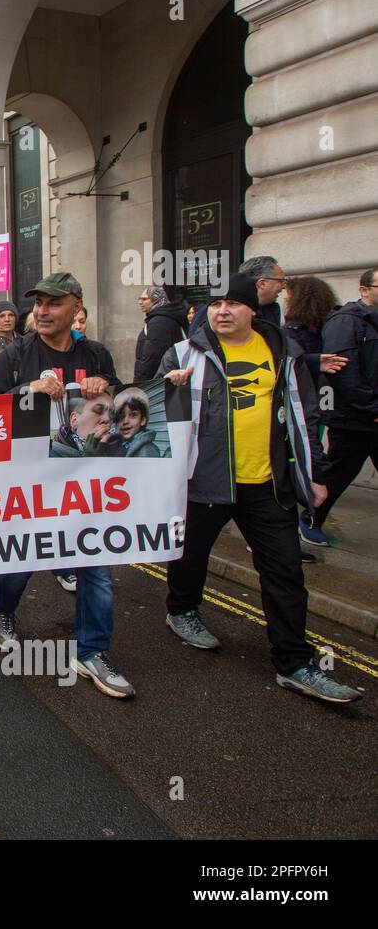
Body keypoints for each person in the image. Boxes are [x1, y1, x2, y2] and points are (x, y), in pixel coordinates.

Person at [159, 272, 360, 704]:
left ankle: (294, 663)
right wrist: (166, 389)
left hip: (268, 483)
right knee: (190, 556)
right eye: (216, 304)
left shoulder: (284, 352)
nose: (223, 311)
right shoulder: (182, 353)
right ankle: (182, 610)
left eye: (233, 303)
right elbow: (152, 414)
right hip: (203, 482)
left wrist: (317, 475)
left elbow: (306, 416)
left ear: (254, 309)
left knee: (285, 572)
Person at [0, 272, 133, 698]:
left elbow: (122, 412)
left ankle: (91, 652)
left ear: (76, 308)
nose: (43, 311)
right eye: (39, 304)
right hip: (30, 481)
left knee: (96, 567)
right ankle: (2, 609)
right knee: (23, 557)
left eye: (54, 303)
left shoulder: (97, 354)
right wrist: (25, 390)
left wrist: (109, 388)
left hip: (86, 484)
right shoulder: (17, 354)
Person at [302, 268, 378, 546]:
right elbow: (345, 374)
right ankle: (310, 519)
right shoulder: (346, 321)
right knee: (337, 475)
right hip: (353, 418)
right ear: (364, 290)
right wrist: (373, 408)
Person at [189, 256, 286, 337]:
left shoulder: (271, 310)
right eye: (280, 281)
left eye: (233, 304)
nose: (283, 287)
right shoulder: (207, 317)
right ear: (262, 283)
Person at [282, 276, 345, 392]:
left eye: (288, 299)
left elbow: (287, 363)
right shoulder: (337, 323)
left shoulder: (292, 329)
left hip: (310, 394)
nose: (285, 302)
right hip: (334, 393)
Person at [133, 287, 188, 384]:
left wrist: (140, 385)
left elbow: (152, 358)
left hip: (158, 382)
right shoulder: (161, 319)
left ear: (156, 300)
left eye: (144, 299)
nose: (140, 302)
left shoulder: (159, 322)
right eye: (139, 299)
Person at [50, 391, 120, 458]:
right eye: (98, 410)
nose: (107, 419)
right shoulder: (52, 454)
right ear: (74, 420)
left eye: (112, 414)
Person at [113, 388, 161, 458]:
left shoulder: (148, 451)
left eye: (133, 415)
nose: (125, 421)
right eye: (121, 416)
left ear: (142, 420)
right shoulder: (117, 445)